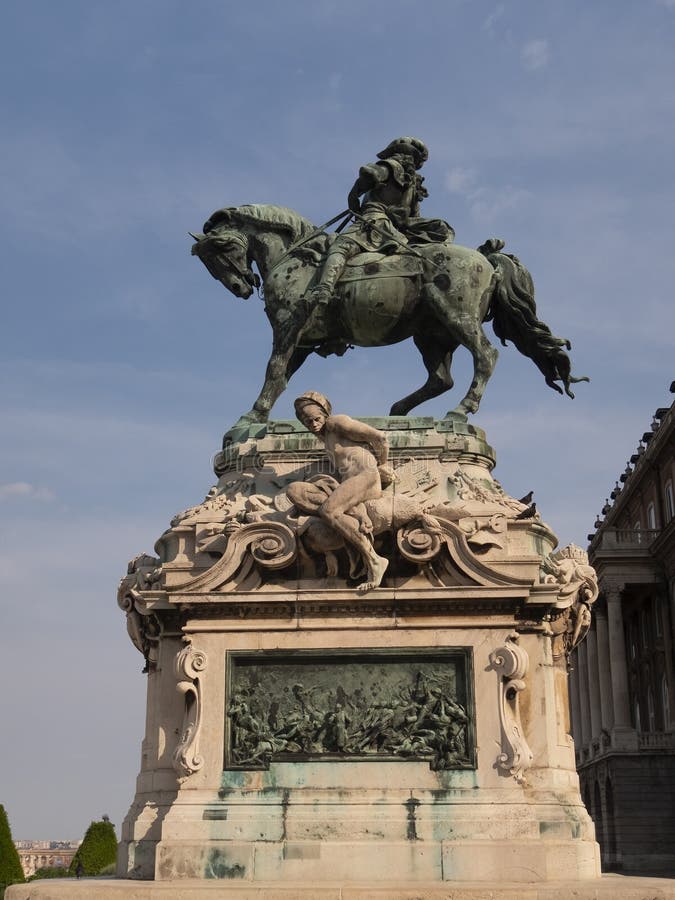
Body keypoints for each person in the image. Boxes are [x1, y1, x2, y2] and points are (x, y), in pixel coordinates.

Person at [309, 136, 453, 305]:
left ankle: (323, 289)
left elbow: (370, 176)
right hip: (394, 232)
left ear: (395, 153)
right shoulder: (413, 185)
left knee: (340, 247)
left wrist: (356, 192)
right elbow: (412, 217)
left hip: (371, 221)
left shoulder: (390, 166)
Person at [289, 391, 394, 592]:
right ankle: (363, 543)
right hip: (351, 484)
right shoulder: (327, 438)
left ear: (325, 414)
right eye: (306, 421)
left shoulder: (336, 422)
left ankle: (374, 560)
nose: (312, 424)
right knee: (298, 492)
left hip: (365, 478)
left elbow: (380, 437)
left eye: (316, 418)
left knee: (328, 511)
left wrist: (383, 465)